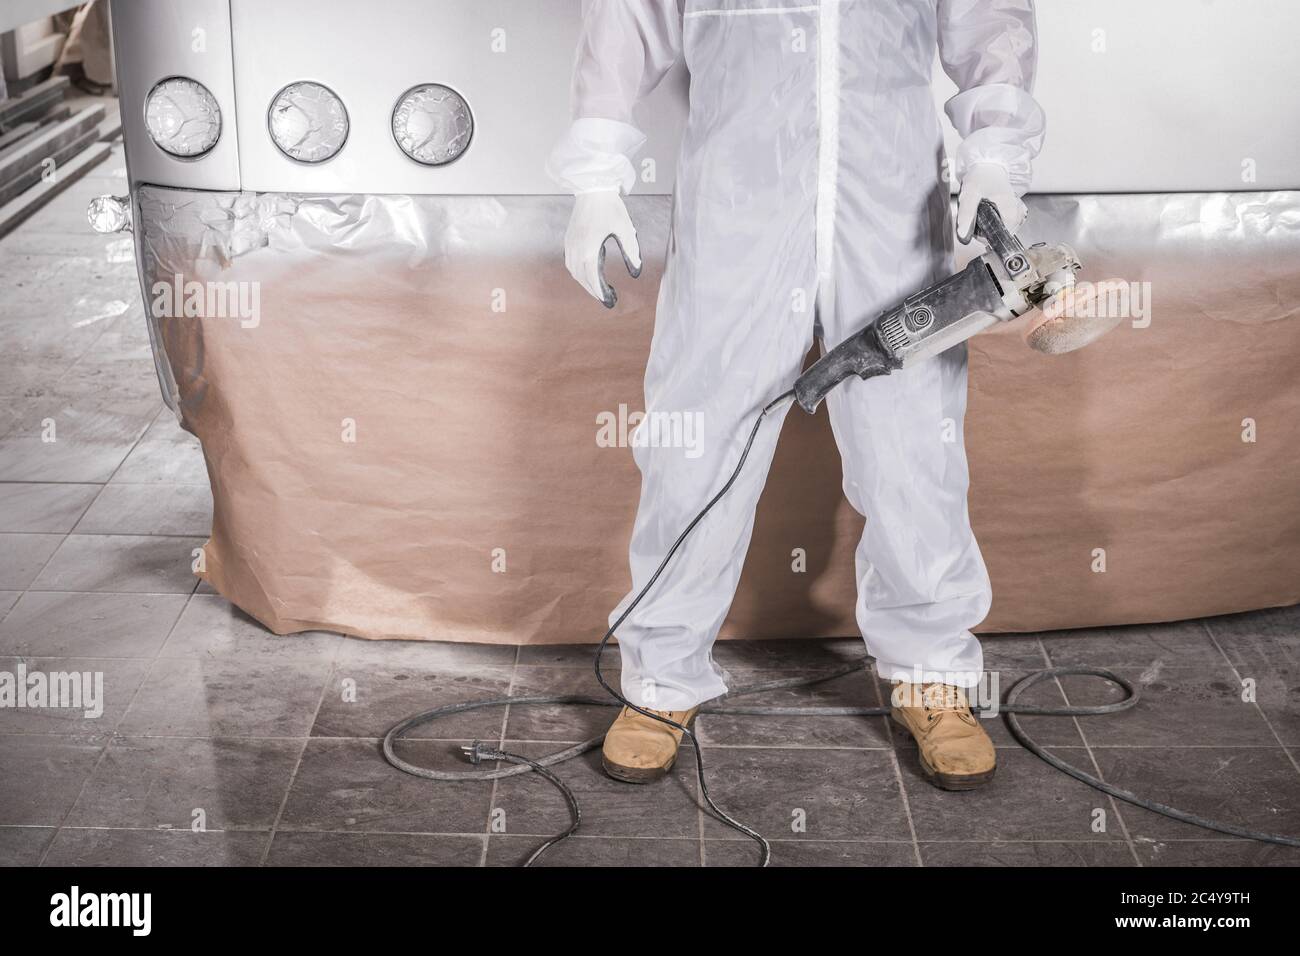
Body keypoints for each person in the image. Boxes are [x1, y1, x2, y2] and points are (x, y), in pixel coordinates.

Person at [547, 0, 1045, 791]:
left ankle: (932, 677)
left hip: (894, 211)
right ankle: (660, 684)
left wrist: (993, 157)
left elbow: (989, 22)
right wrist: (597, 176)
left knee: (911, 447)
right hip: (737, 208)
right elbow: (627, 19)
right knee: (698, 443)